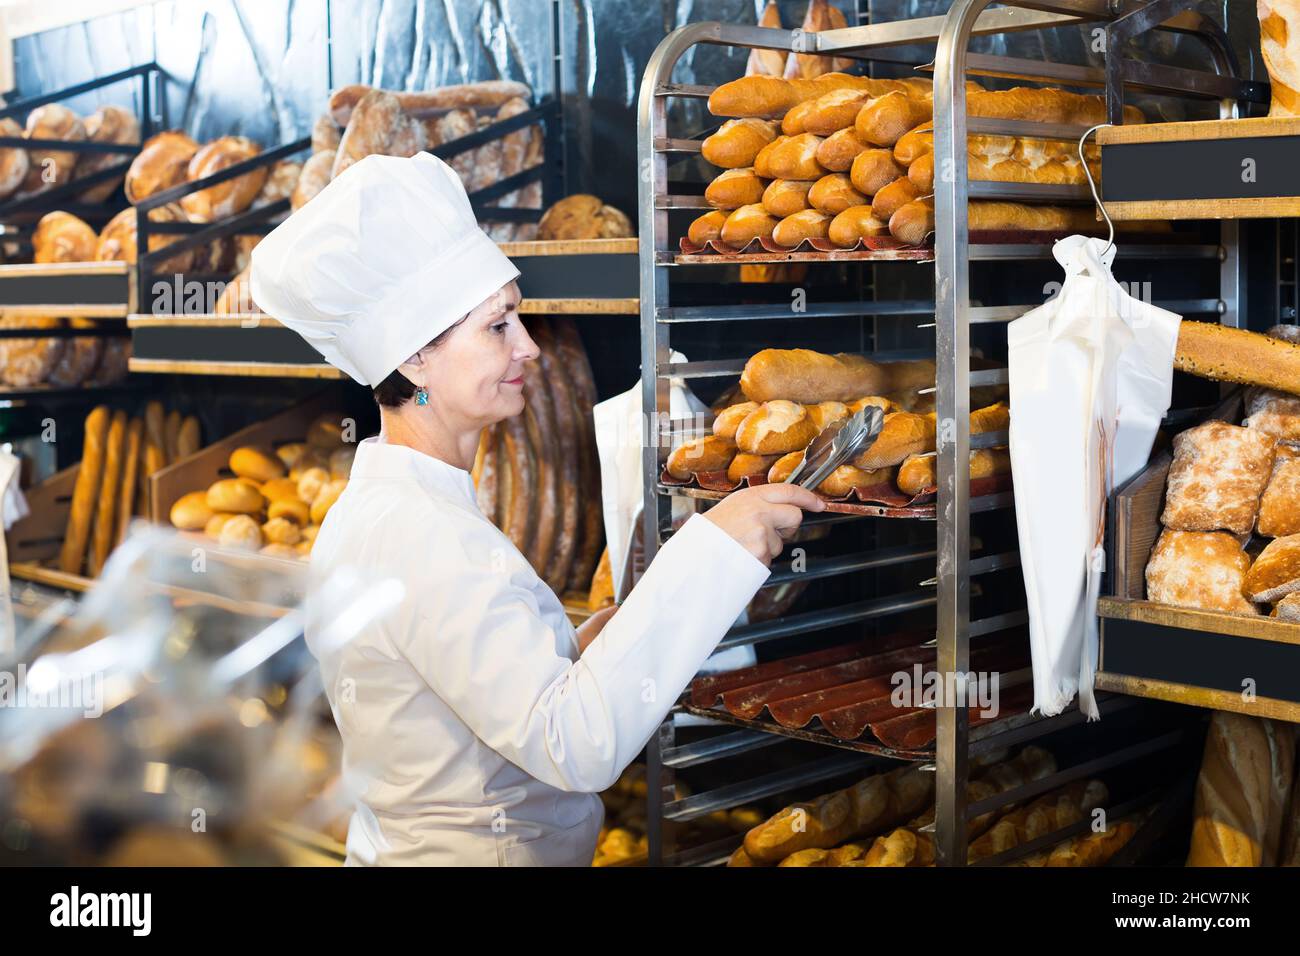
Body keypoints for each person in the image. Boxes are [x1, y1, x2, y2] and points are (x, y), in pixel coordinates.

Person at [250, 151, 824, 865]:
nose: (530, 348)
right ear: (415, 360)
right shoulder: (421, 536)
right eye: (499, 326)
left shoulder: (394, 509)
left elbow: (476, 696)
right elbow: (575, 745)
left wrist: (596, 644)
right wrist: (714, 550)